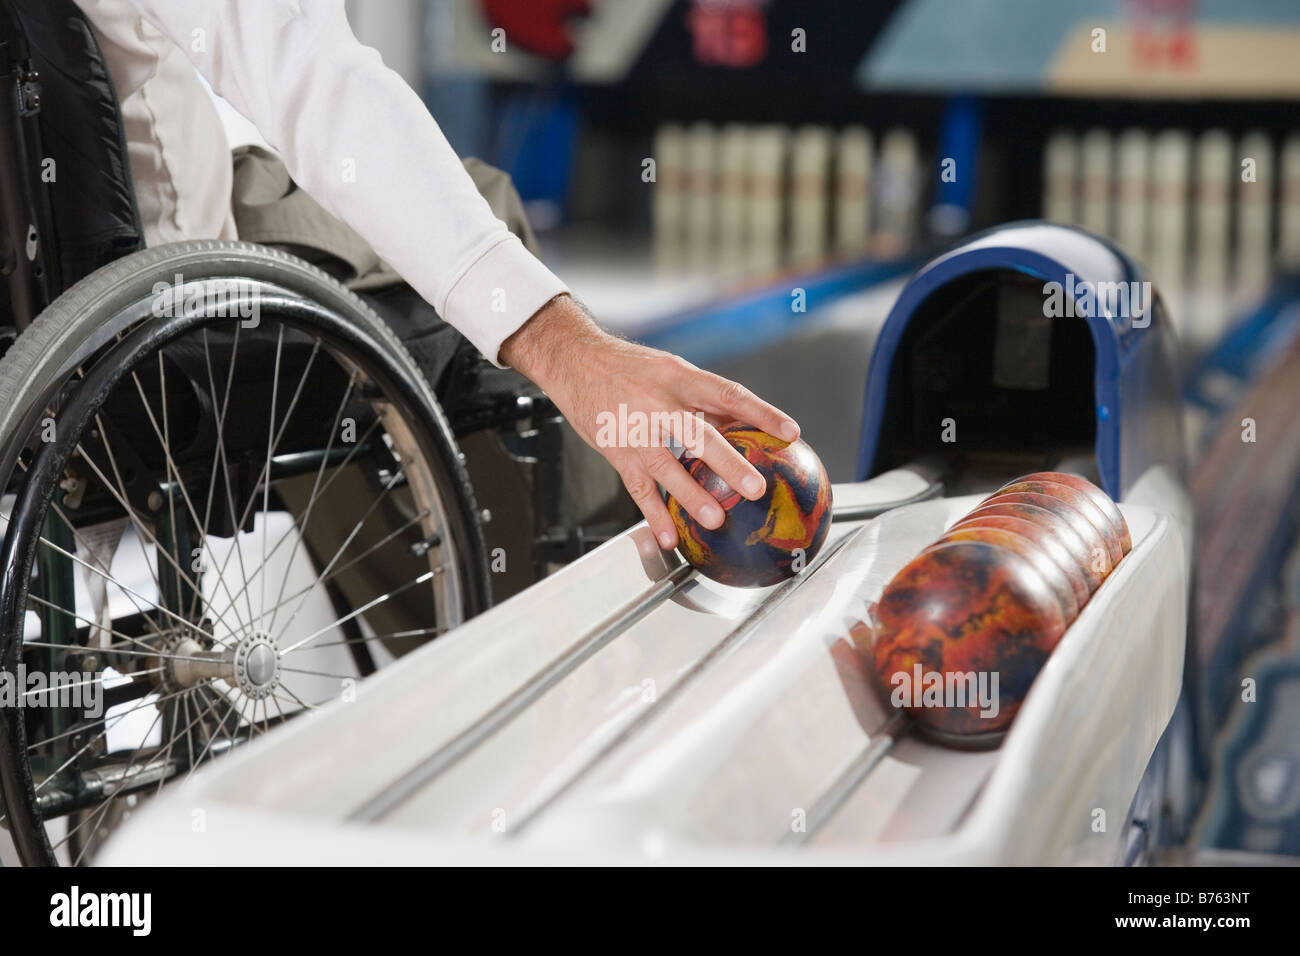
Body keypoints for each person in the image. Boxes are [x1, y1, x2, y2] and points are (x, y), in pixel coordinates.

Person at [71, 0, 803, 552]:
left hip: (47, 302)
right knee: (486, 200)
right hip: (165, 279)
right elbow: (318, 88)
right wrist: (569, 350)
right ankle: (586, 577)